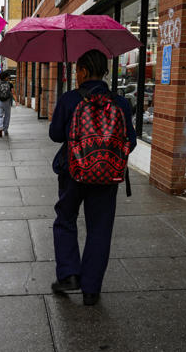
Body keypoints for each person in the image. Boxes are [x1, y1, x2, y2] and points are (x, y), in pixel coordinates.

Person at [48, 49, 137, 306]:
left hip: (72, 173)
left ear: (84, 71)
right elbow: (130, 141)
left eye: (77, 70)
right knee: (100, 229)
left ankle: (68, 274)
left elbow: (55, 135)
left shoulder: (69, 100)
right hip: (106, 176)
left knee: (65, 220)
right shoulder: (119, 103)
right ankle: (91, 289)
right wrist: (108, 155)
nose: (76, 75)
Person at [0, 70, 14, 137]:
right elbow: (12, 93)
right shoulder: (10, 84)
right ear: (6, 77)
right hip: (7, 102)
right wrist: (16, 101)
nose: (8, 77)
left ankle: (0, 128)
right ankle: (5, 130)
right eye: (7, 76)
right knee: (7, 116)